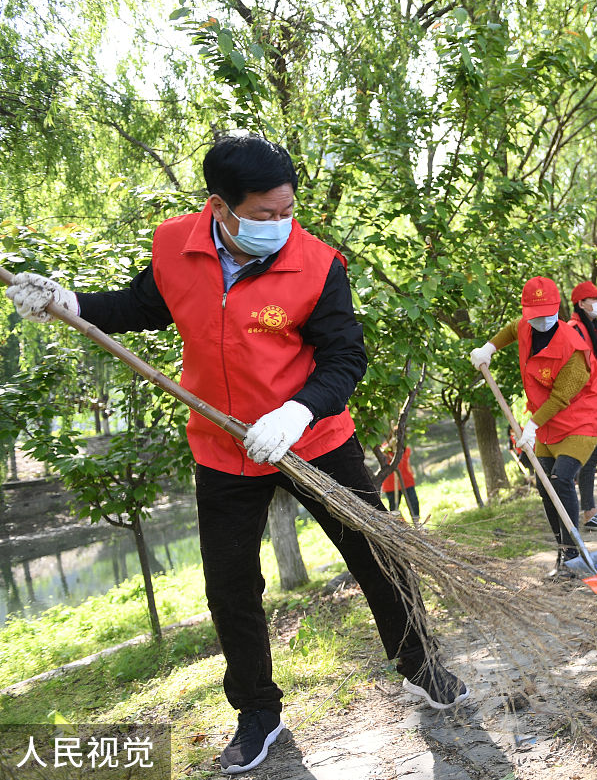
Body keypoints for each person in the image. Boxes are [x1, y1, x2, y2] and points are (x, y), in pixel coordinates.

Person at [4, 134, 468, 775]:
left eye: (289, 211)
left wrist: (297, 410)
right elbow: (142, 306)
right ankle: (258, 711)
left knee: (378, 552)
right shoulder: (175, 245)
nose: (282, 225)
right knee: (230, 586)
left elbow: (344, 358)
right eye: (266, 214)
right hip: (224, 447)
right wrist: (69, 304)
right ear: (218, 206)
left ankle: (420, 663)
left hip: (314, 440)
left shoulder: (316, 263)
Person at [469, 277, 597, 575]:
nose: (541, 320)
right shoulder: (525, 326)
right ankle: (563, 554)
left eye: (547, 313)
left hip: (579, 419)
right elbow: (510, 329)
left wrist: (529, 427)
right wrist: (488, 348)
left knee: (561, 479)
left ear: (557, 308)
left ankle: (572, 557)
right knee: (544, 484)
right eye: (535, 314)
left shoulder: (574, 349)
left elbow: (560, 398)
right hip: (544, 421)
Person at [566, 280, 597, 532]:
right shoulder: (574, 329)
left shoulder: (591, 328)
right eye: (594, 299)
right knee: (587, 455)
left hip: (592, 402)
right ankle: (587, 513)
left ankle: (590, 508)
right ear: (581, 303)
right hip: (579, 406)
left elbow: (595, 369)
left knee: (592, 454)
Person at [381, 445, 419, 525]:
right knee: (394, 507)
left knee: (413, 502)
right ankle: (398, 525)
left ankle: (417, 523)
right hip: (391, 483)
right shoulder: (385, 449)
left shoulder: (405, 447)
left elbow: (408, 462)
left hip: (406, 481)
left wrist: (411, 472)